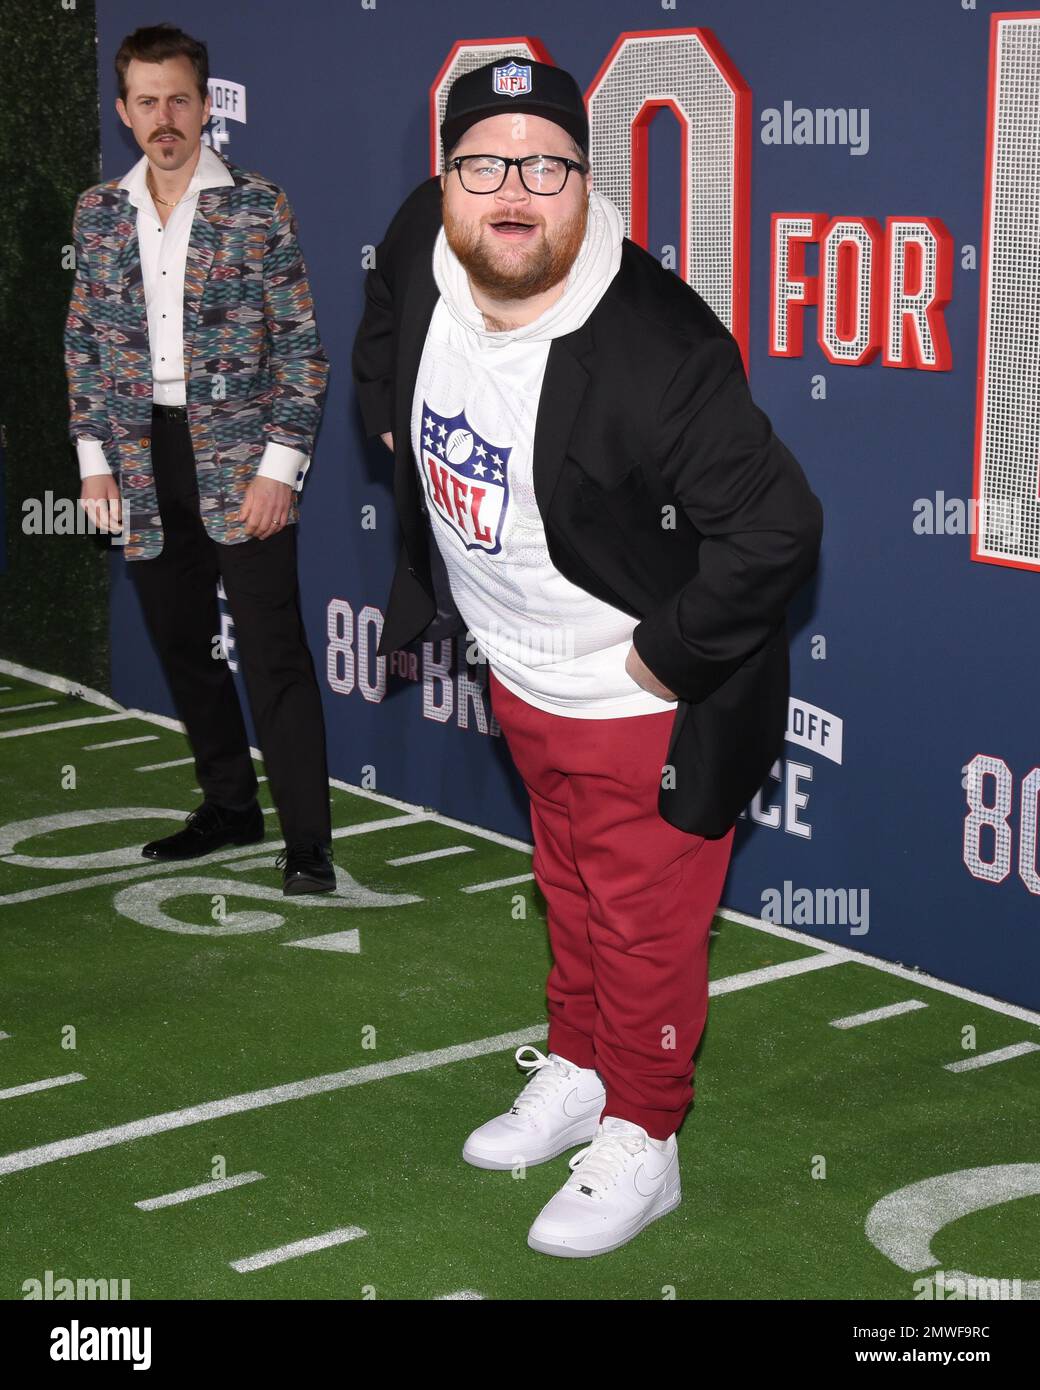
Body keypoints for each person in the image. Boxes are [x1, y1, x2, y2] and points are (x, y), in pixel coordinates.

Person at [352, 56, 823, 1257]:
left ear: (583, 179)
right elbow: (379, 357)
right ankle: (577, 1065)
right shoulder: (420, 238)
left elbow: (776, 527)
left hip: (634, 704)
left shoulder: (658, 347)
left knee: (644, 928)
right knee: (565, 889)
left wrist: (661, 659)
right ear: (445, 178)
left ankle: (645, 1134)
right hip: (510, 668)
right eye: (483, 163)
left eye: (545, 166)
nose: (512, 192)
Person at [64, 23, 334, 895]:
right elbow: (85, 345)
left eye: (179, 98)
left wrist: (280, 466)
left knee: (273, 652)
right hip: (137, 460)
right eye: (147, 101)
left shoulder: (259, 203)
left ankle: (307, 845)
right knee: (183, 642)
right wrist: (93, 460)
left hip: (240, 458)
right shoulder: (100, 211)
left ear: (206, 104)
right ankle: (228, 805)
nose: (164, 117)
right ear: (124, 111)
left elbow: (299, 345)